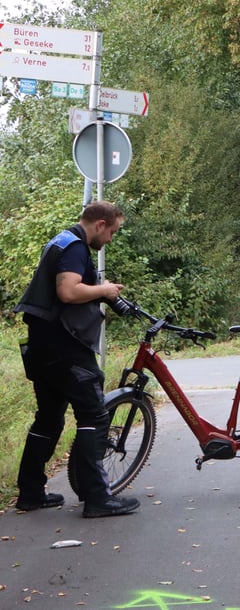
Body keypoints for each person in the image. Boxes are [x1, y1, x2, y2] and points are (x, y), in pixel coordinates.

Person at [14, 201, 141, 518]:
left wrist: (100, 290)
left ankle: (30, 493)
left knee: (49, 418)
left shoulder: (59, 240)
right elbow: (68, 292)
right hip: (64, 346)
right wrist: (104, 290)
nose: (111, 238)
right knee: (94, 416)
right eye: (112, 231)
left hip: (43, 346)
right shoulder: (74, 246)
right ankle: (97, 497)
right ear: (100, 224)